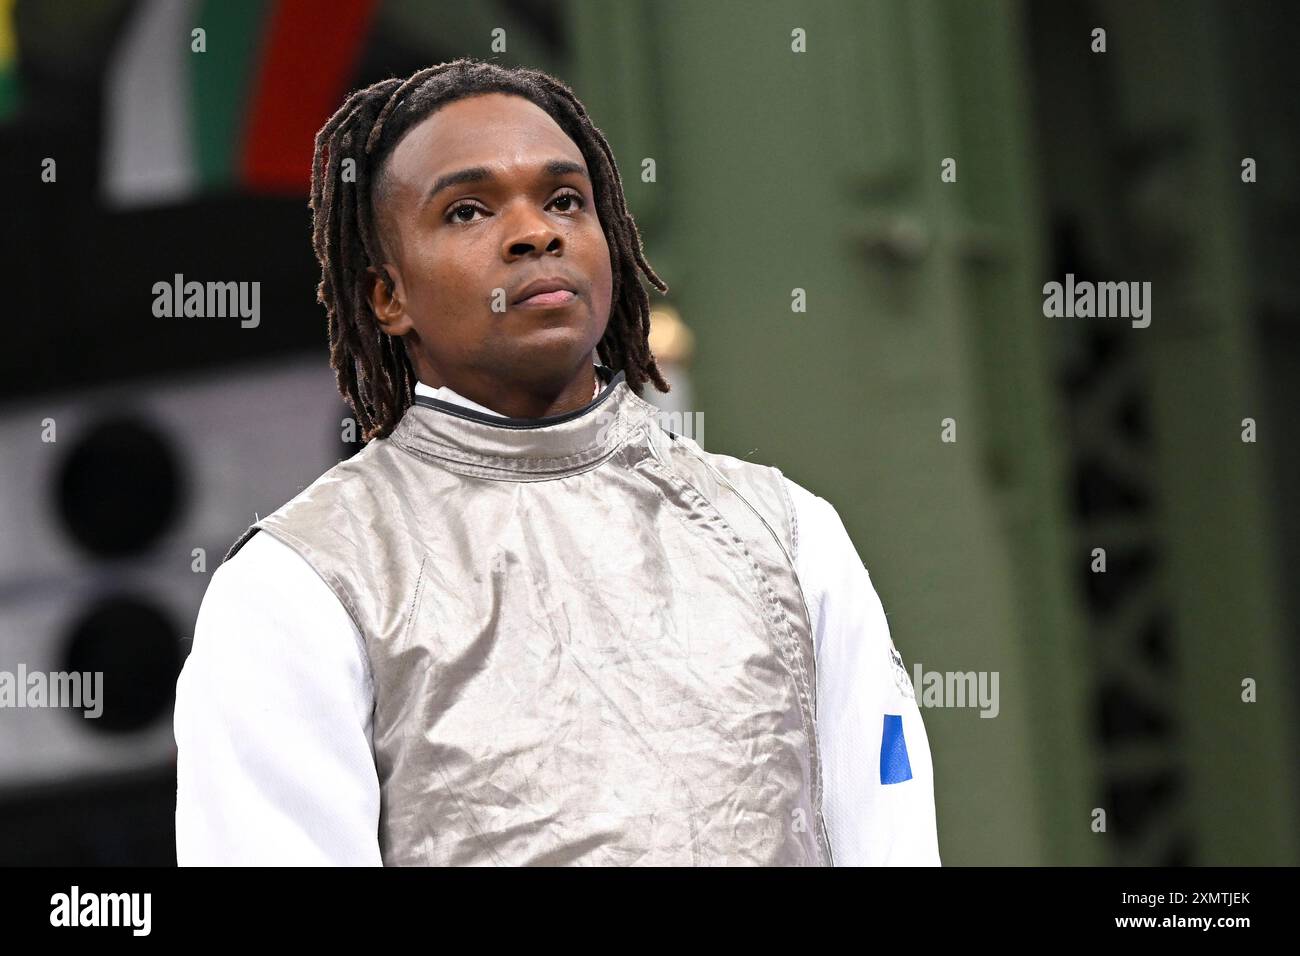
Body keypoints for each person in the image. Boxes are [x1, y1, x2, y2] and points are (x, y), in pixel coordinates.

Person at [173, 57, 940, 866]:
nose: (537, 232)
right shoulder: (302, 582)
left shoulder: (787, 534)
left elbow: (889, 844)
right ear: (387, 296)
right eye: (468, 211)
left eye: (565, 200)